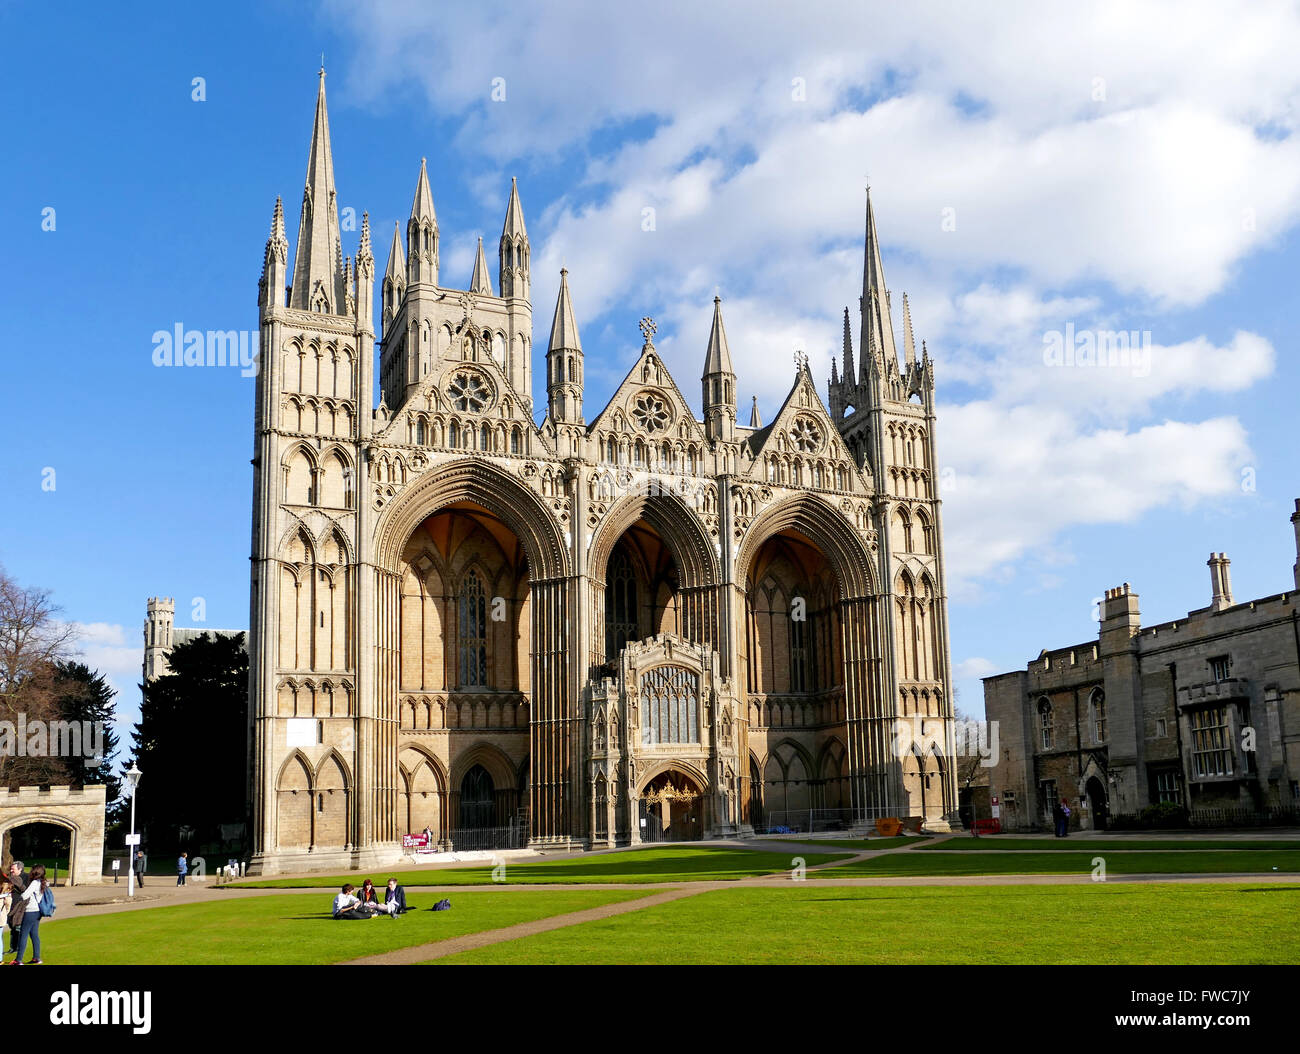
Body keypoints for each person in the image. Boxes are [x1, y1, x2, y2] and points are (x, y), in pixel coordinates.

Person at [10, 863, 48, 964]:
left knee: (23, 935)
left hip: (30, 911)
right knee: (34, 934)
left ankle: (18, 960)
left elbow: (25, 895)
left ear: (35, 872)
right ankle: (36, 957)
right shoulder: (43, 882)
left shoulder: (35, 882)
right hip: (38, 911)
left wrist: (21, 892)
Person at [6, 862, 27, 954]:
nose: (11, 871)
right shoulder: (10, 878)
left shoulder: (26, 877)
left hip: (21, 906)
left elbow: (26, 892)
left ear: (20, 869)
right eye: (11, 869)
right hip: (11, 905)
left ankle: (18, 948)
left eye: (13, 869)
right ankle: (13, 947)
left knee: (18, 927)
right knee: (12, 926)